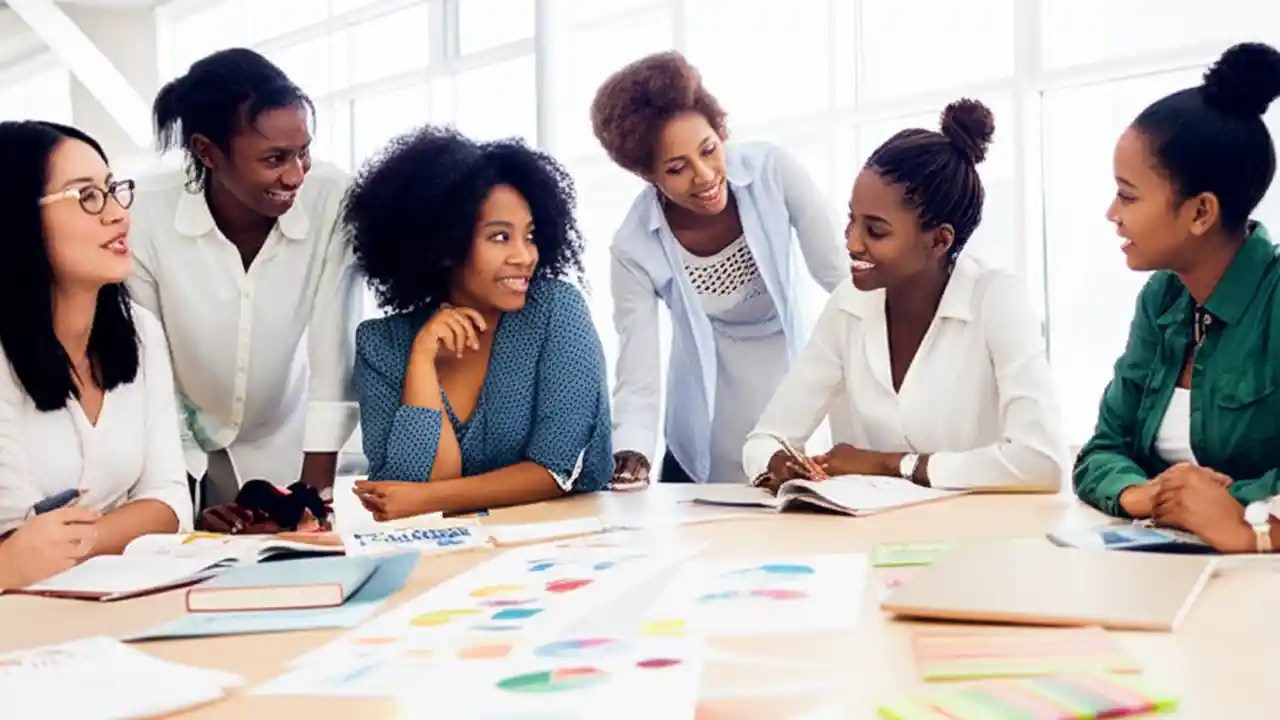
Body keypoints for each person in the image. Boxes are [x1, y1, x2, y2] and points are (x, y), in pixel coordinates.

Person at [742, 100, 1067, 491]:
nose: (851, 243)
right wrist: (779, 463)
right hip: (878, 544)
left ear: (939, 240)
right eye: (852, 220)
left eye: (875, 231)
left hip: (983, 541)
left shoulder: (996, 299)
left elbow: (1042, 462)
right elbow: (765, 439)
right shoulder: (848, 306)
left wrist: (888, 465)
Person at [128, 48, 361, 528]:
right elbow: (152, 370)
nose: (295, 175)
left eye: (303, 153)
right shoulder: (144, 214)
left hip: (290, 440)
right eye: (274, 159)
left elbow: (331, 352)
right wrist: (182, 500)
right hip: (181, 450)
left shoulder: (332, 199)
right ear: (206, 151)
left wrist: (313, 498)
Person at [592, 51, 847, 487]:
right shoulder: (634, 244)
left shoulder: (773, 171)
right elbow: (638, 368)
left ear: (720, 130)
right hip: (706, 427)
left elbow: (841, 279)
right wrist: (630, 447)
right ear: (647, 174)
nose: (705, 175)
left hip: (792, 406)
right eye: (677, 168)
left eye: (709, 149)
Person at [1074, 43, 1280, 552]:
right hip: (1164, 559)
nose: (1111, 213)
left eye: (1128, 195)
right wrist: (1147, 495)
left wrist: (1239, 512)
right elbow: (1102, 449)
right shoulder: (1162, 297)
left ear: (1200, 212)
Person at [346, 127, 611, 520]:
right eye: (501, 237)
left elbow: (557, 470)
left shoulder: (557, 311)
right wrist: (422, 363)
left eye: (531, 235)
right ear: (443, 246)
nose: (525, 256)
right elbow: (405, 482)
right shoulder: (382, 344)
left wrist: (430, 499)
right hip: (450, 554)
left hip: (564, 543)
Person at [0, 120, 190, 580]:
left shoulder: (139, 332)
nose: (117, 214)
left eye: (112, 189)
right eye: (86, 197)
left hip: (110, 593)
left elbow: (171, 502)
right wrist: (125, 526)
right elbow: (16, 535)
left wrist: (81, 540)